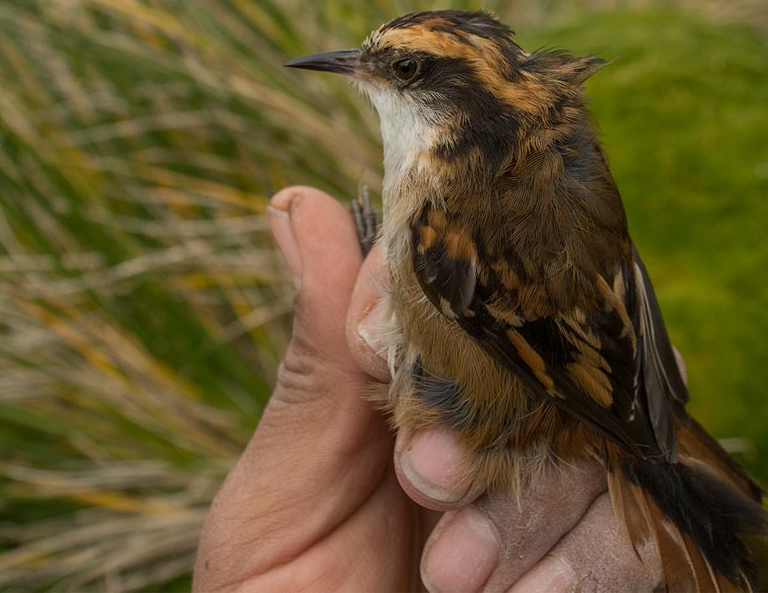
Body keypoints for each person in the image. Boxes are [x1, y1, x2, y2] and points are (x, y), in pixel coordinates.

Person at [193, 187, 668, 592]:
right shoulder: (463, 210)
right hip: (571, 399)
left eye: (406, 70)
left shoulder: (446, 219)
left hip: (532, 408)